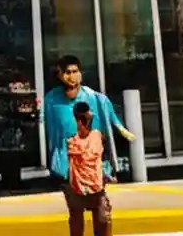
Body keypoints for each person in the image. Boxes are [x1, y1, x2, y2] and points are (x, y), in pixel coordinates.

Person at [43, 55, 135, 236]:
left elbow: (111, 121)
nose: (72, 76)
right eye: (67, 72)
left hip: (94, 165)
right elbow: (48, 129)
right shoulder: (51, 100)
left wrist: (121, 132)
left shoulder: (95, 98)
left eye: (75, 71)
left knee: (101, 213)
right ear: (60, 75)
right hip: (68, 166)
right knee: (76, 213)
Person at [65, 101, 112, 236]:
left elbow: (105, 156)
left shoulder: (94, 136)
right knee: (80, 223)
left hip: (93, 188)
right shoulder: (73, 140)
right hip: (80, 188)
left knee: (101, 221)